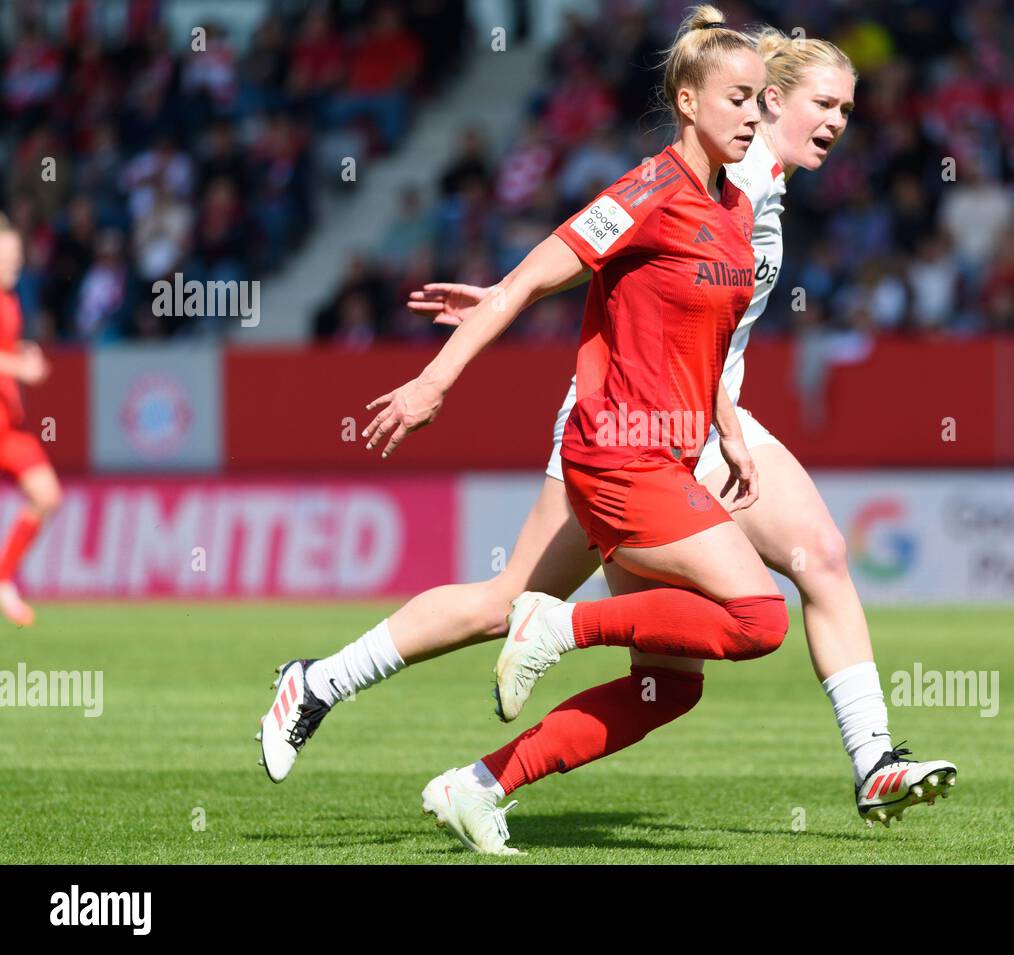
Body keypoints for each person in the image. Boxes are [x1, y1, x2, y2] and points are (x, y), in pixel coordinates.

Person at [259, 11, 955, 852]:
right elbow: (604, 244)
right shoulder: (720, 169)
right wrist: (494, 312)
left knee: (721, 636)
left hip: (703, 413)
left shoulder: (744, 190)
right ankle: (332, 681)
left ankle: (465, 770)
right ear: (766, 102)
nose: (840, 123)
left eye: (850, 108)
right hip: (630, 424)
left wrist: (726, 419)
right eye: (826, 104)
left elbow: (702, 319)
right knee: (518, 604)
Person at [0, 214, 64, 627]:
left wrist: (24, 354)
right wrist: (18, 368)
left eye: (18, 256)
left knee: (47, 495)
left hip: (8, 427)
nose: (16, 262)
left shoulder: (10, 301)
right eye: (9, 254)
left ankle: (3, 578)